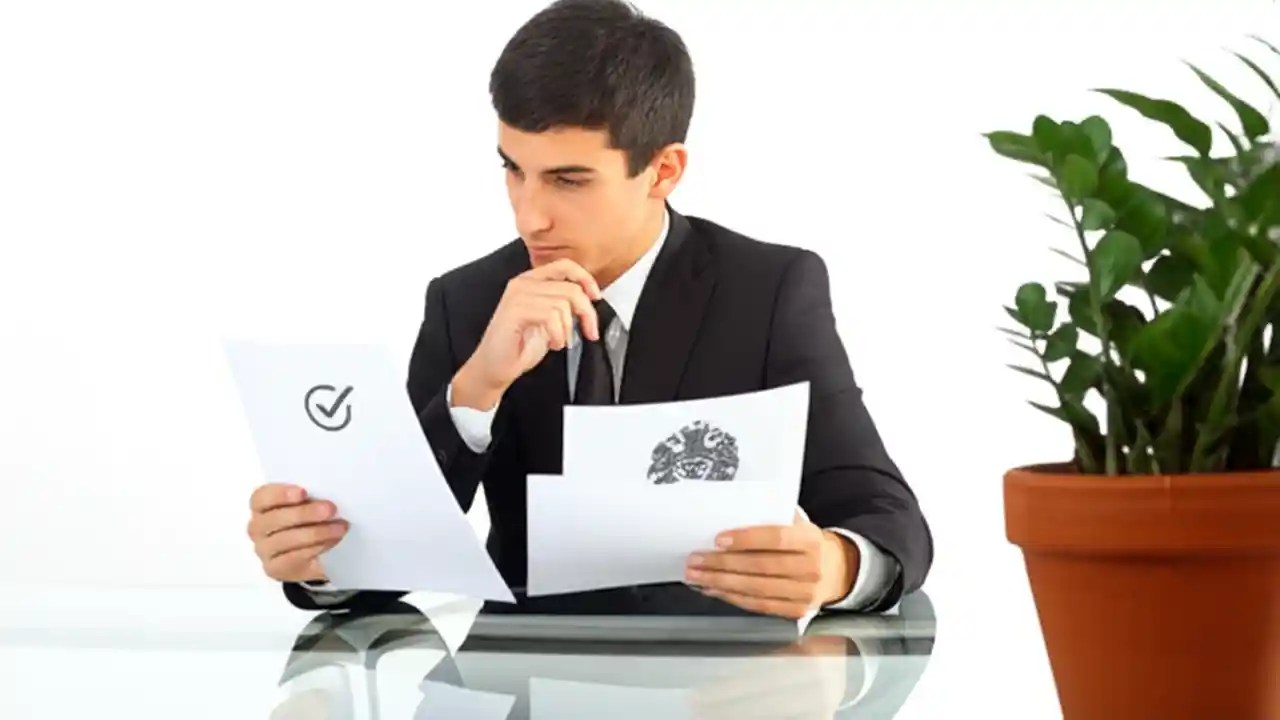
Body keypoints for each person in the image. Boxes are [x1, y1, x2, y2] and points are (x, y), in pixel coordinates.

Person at [245, 0, 932, 619]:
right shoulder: (466, 301)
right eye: (513, 169)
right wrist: (475, 390)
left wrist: (837, 567)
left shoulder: (769, 288)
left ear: (662, 171)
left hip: (718, 688)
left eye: (568, 180)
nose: (530, 215)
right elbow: (378, 570)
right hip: (521, 686)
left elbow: (885, 512)